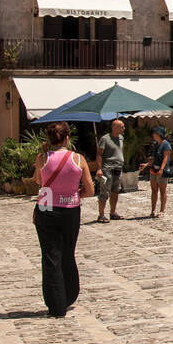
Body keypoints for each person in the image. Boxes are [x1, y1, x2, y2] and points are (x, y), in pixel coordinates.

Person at [32, 121, 94, 317]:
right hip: (70, 208)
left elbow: (37, 181)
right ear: (67, 138)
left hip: (47, 205)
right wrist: (76, 194)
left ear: (49, 139)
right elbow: (90, 189)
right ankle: (69, 294)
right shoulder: (78, 159)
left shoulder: (43, 158)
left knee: (50, 255)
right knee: (68, 252)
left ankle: (55, 304)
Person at [94, 119, 126, 222]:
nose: (124, 128)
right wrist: (99, 169)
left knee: (116, 191)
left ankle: (113, 212)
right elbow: (99, 154)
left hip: (118, 168)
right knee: (105, 192)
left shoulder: (121, 138)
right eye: (122, 126)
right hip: (107, 169)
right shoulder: (105, 139)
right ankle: (101, 215)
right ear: (114, 127)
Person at [141, 127, 172, 218]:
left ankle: (162, 210)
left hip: (161, 171)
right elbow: (154, 158)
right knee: (154, 190)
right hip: (153, 170)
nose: (153, 135)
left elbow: (166, 158)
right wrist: (146, 165)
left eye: (155, 133)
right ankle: (153, 210)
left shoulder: (166, 144)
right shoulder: (155, 144)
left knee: (162, 191)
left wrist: (161, 169)